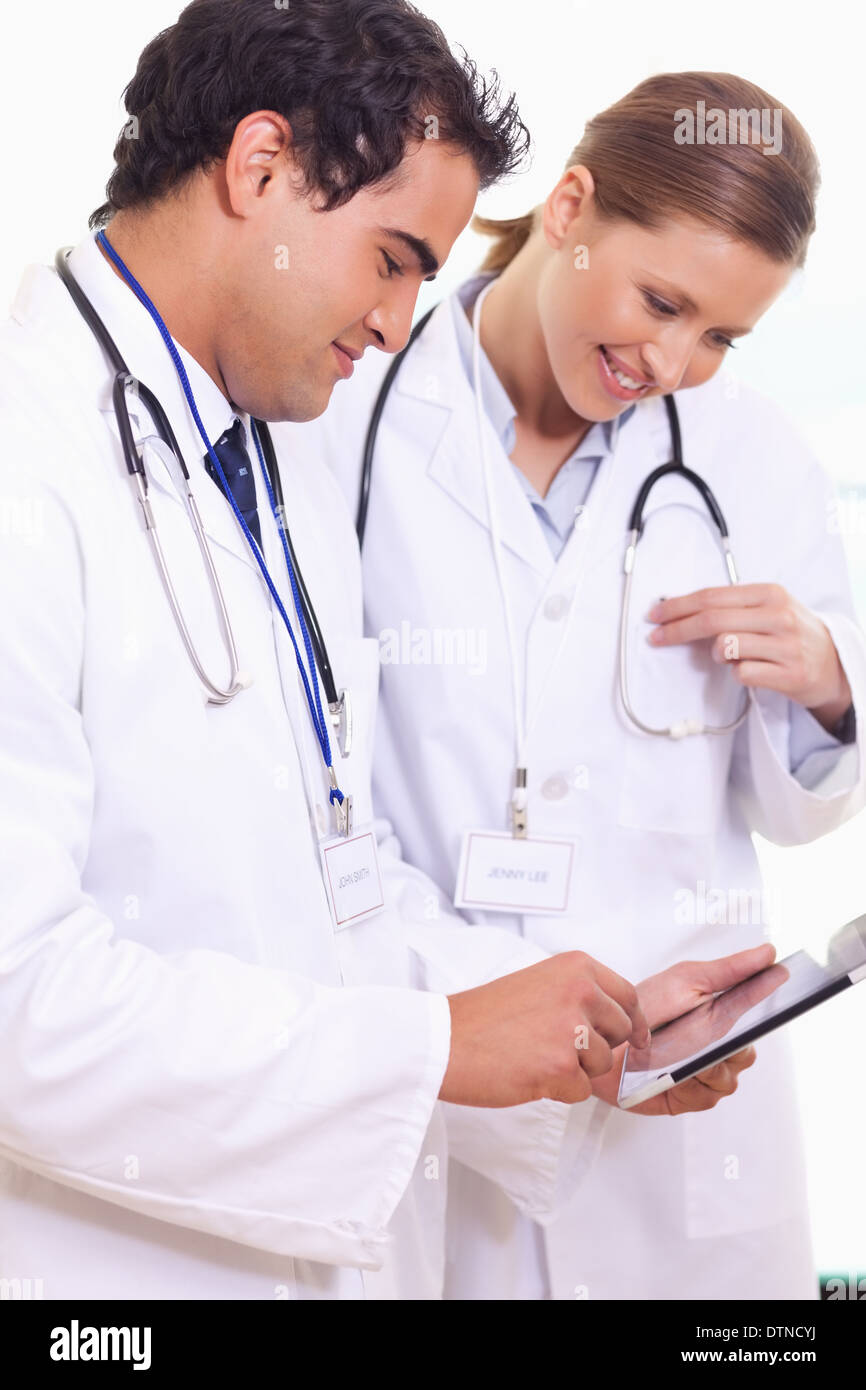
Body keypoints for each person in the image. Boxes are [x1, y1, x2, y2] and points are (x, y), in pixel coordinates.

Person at [0, 3, 760, 1303]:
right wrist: (430, 1044)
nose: (401, 325)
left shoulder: (276, 442)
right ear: (259, 168)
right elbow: (18, 1001)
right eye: (392, 258)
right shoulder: (29, 451)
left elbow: (334, 875)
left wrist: (583, 1029)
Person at [282, 69, 866, 1299]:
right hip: (447, 1096)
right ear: (567, 208)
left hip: (686, 1136)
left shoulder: (748, 454)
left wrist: (828, 682)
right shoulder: (342, 412)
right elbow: (305, 802)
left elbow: (797, 802)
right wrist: (469, 1008)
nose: (671, 359)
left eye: (718, 335)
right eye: (661, 301)